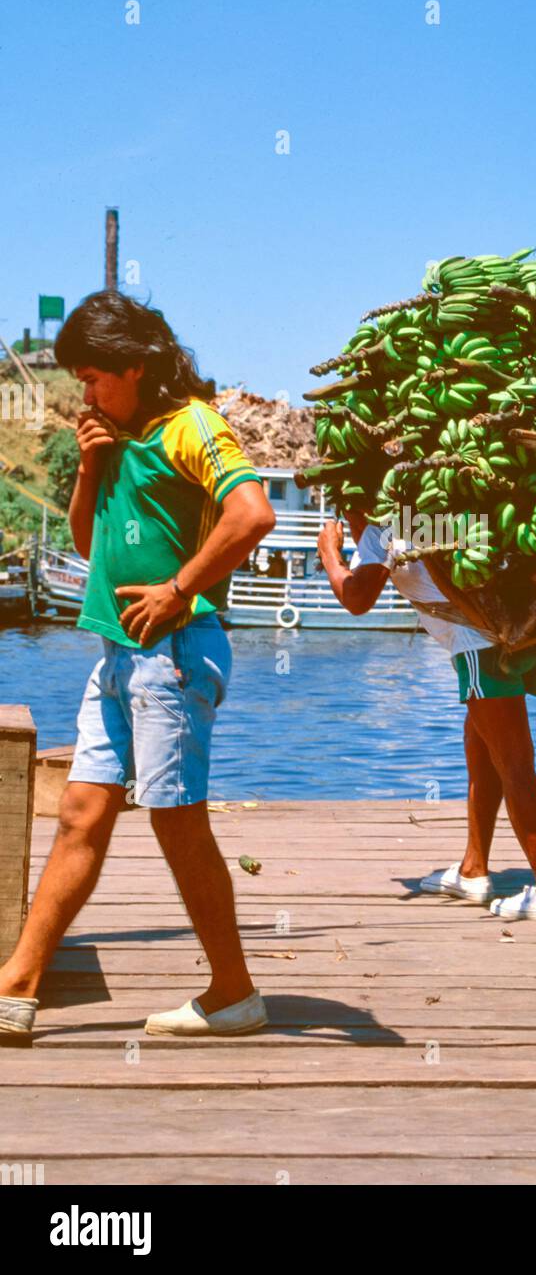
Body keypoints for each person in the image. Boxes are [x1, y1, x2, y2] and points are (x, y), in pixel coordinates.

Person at [0, 291, 275, 1044]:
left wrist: (179, 589)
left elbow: (253, 514)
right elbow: (91, 547)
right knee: (80, 815)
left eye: (94, 377)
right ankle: (16, 986)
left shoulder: (192, 425)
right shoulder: (118, 437)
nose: (84, 394)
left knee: (177, 824)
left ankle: (234, 992)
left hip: (173, 657)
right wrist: (91, 465)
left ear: (136, 365)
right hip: (119, 658)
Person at [317, 511, 536, 921]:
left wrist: (331, 553)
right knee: (482, 751)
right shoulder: (432, 511)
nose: (344, 510)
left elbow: (356, 600)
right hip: (515, 634)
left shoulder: (383, 529)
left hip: (478, 645)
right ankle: (473, 870)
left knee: (514, 764)